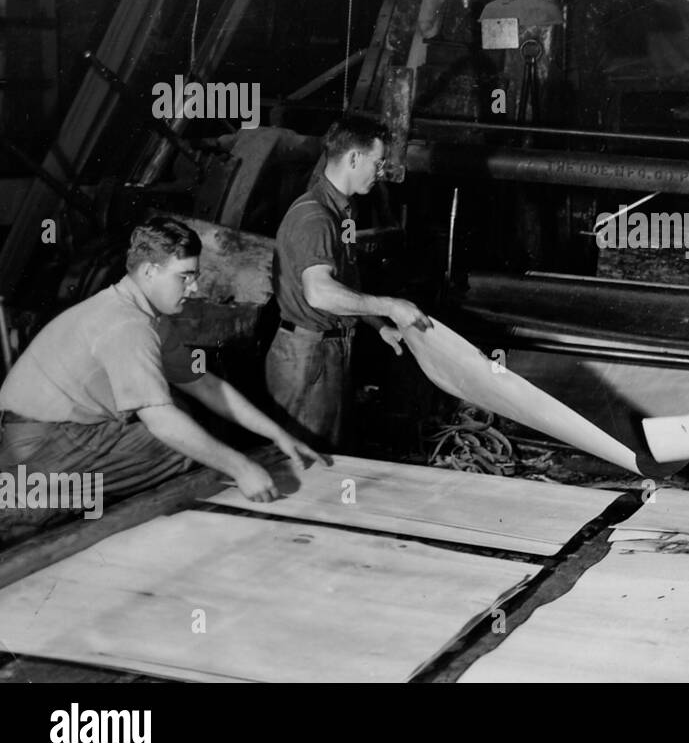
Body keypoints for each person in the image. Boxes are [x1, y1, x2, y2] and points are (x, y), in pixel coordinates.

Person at [0, 218, 323, 546]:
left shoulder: (147, 315)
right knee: (173, 440)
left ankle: (46, 497)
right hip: (40, 440)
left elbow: (203, 383)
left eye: (194, 276)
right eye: (184, 277)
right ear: (150, 272)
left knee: (184, 424)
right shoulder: (128, 324)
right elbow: (161, 420)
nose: (194, 287)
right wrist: (241, 468)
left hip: (66, 431)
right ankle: (23, 505)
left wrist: (278, 435)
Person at [266, 115, 431, 449]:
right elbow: (320, 293)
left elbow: (342, 289)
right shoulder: (315, 217)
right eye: (378, 162)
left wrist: (378, 325)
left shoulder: (343, 211)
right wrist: (390, 305)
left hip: (327, 349)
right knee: (308, 460)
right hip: (306, 357)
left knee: (328, 454)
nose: (381, 171)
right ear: (354, 158)